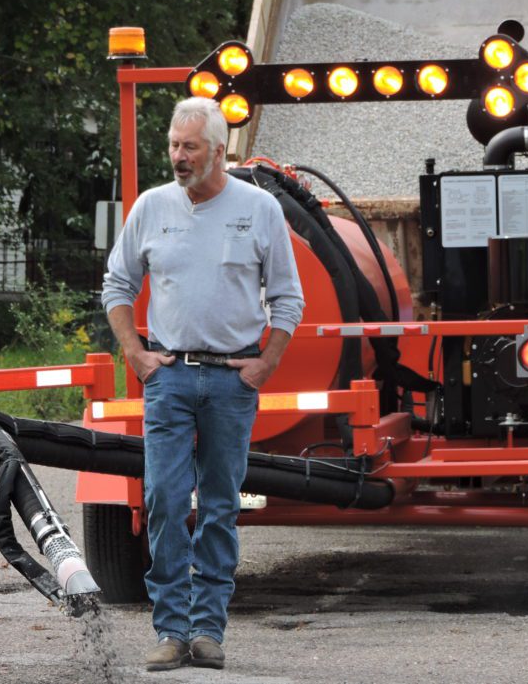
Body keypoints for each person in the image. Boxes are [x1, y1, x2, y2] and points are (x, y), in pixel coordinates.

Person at [101, 97, 304, 671]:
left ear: (219, 151)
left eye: (190, 147)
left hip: (232, 381)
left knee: (219, 506)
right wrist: (136, 354)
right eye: (173, 145)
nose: (178, 156)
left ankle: (208, 629)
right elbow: (117, 285)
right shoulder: (152, 207)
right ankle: (171, 629)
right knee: (165, 499)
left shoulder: (259, 208)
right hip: (169, 379)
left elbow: (288, 297)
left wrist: (265, 364)